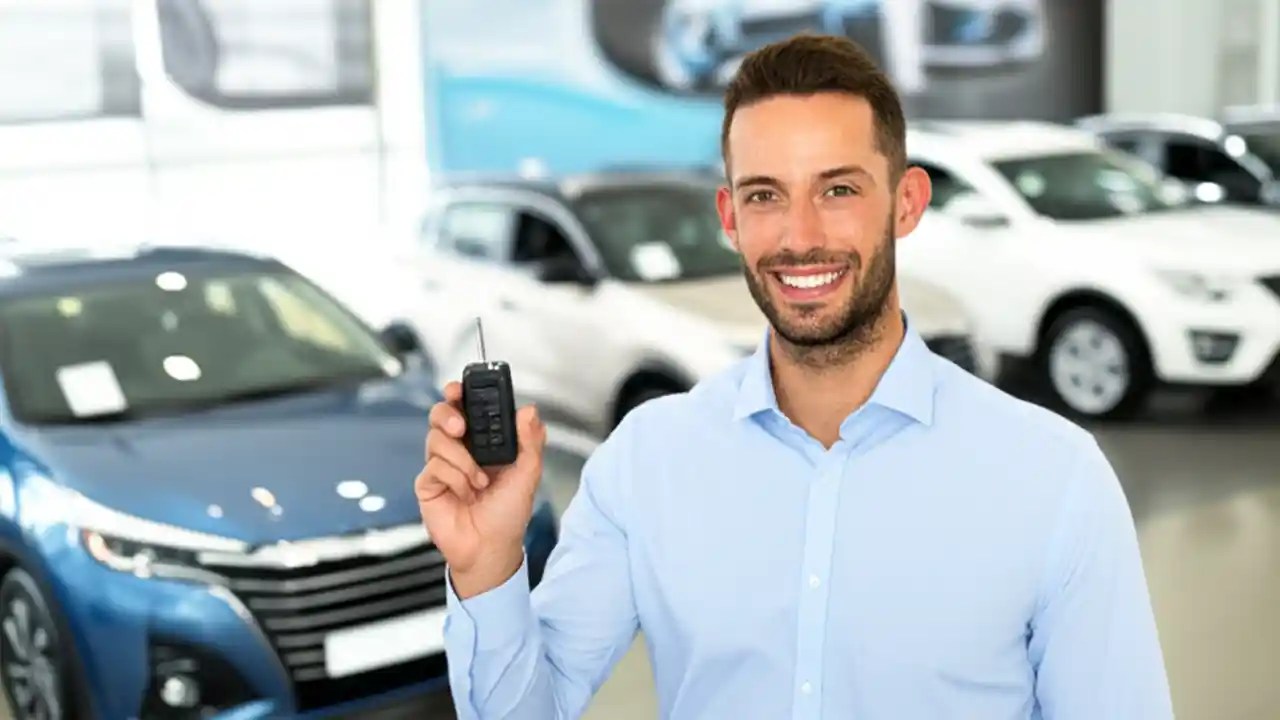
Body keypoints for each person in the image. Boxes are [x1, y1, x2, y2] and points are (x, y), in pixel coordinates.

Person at [415, 33, 1174, 720]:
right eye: (765, 196)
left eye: (838, 189)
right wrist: (489, 567)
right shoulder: (647, 461)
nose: (800, 237)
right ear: (729, 218)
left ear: (907, 203)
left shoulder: (1053, 477)